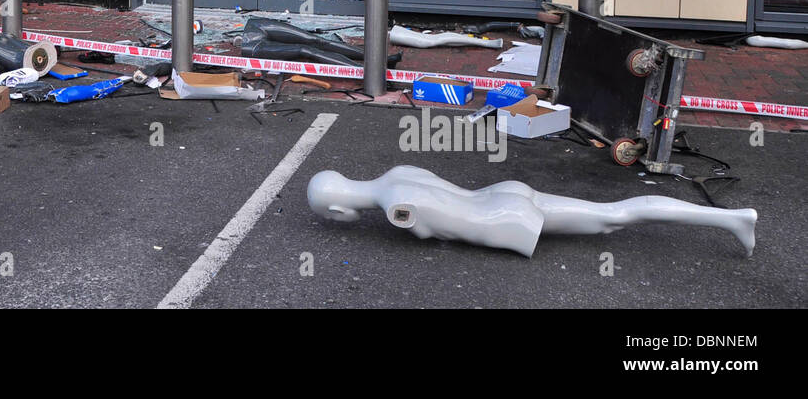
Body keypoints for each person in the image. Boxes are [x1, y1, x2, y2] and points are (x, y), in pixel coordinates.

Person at [308, 165, 756, 258]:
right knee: (613, 212)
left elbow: (436, 233)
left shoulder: (396, 210)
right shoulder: (395, 175)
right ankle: (731, 219)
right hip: (502, 193)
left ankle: (731, 220)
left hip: (504, 220)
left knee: (614, 219)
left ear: (336, 207)